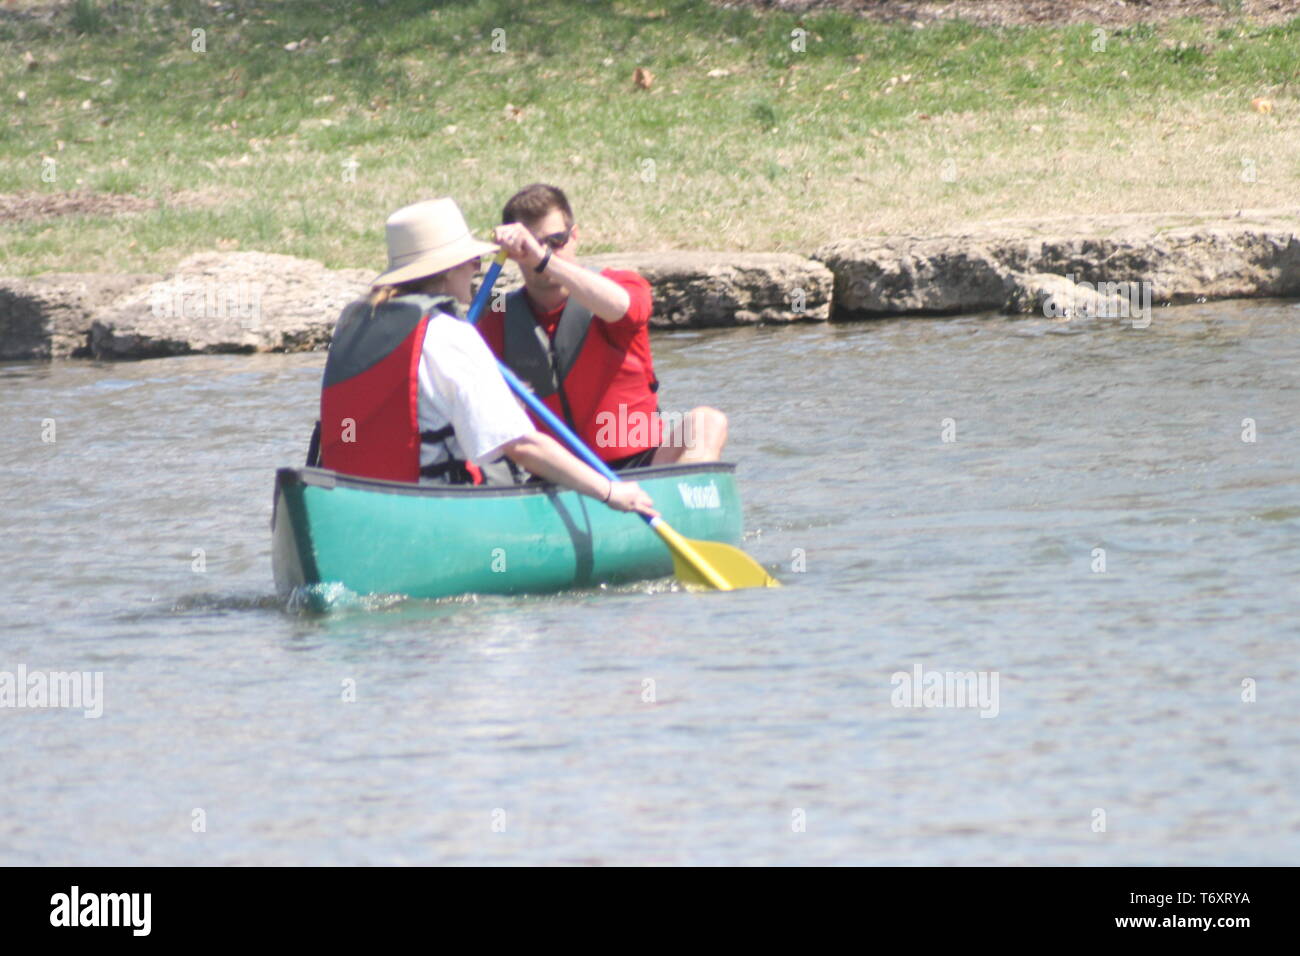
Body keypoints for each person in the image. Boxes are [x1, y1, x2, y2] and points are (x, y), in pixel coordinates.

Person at [316, 197, 655, 515]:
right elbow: (521, 445)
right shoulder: (452, 333)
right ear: (449, 269)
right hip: (435, 509)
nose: (477, 268)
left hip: (358, 503)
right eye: (472, 260)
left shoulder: (358, 324)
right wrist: (609, 493)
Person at [477, 183, 727, 470]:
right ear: (512, 253)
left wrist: (544, 260)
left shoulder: (621, 283)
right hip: (556, 474)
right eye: (530, 246)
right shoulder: (499, 313)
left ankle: (689, 492)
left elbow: (623, 308)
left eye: (556, 241)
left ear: (574, 236)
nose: (543, 252)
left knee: (708, 421)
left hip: (642, 464)